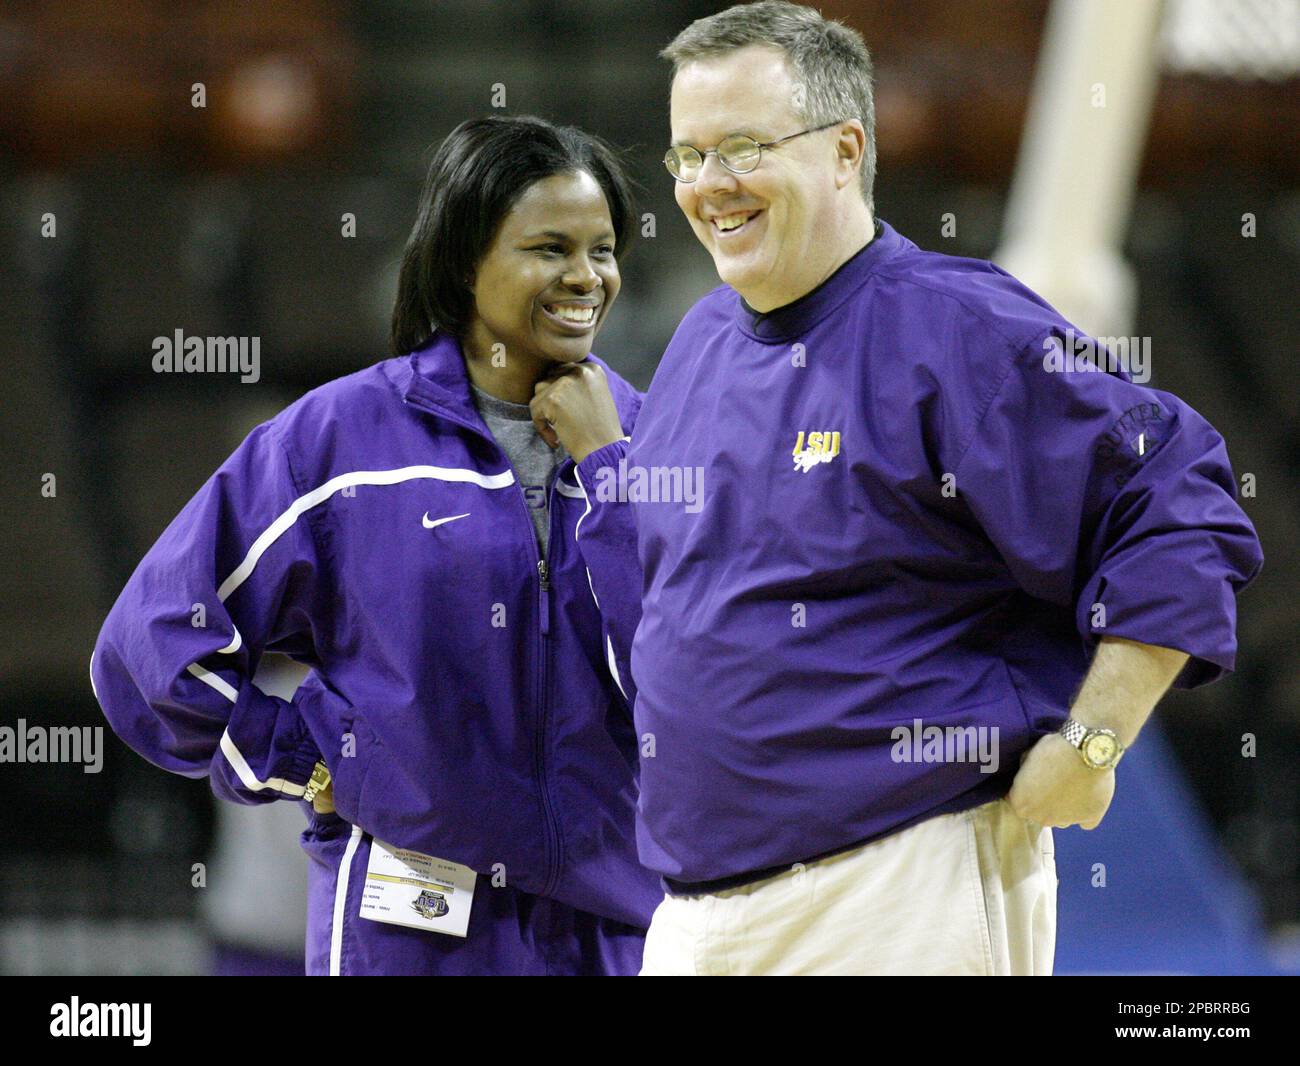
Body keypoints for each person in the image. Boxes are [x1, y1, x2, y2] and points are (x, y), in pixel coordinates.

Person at [534, 1, 1264, 975]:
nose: (709, 186)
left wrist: (1091, 743)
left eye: (743, 146)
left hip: (897, 889)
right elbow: (683, 598)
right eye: (685, 156)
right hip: (693, 908)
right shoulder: (704, 337)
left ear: (843, 150)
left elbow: (1179, 503)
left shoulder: (954, 328)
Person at [91, 114, 661, 975]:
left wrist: (607, 466)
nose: (586, 276)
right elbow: (150, 644)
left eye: (603, 249)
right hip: (408, 931)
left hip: (620, 932)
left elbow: (692, 676)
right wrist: (312, 762)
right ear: (467, 260)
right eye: (551, 248)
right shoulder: (341, 441)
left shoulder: (657, 444)